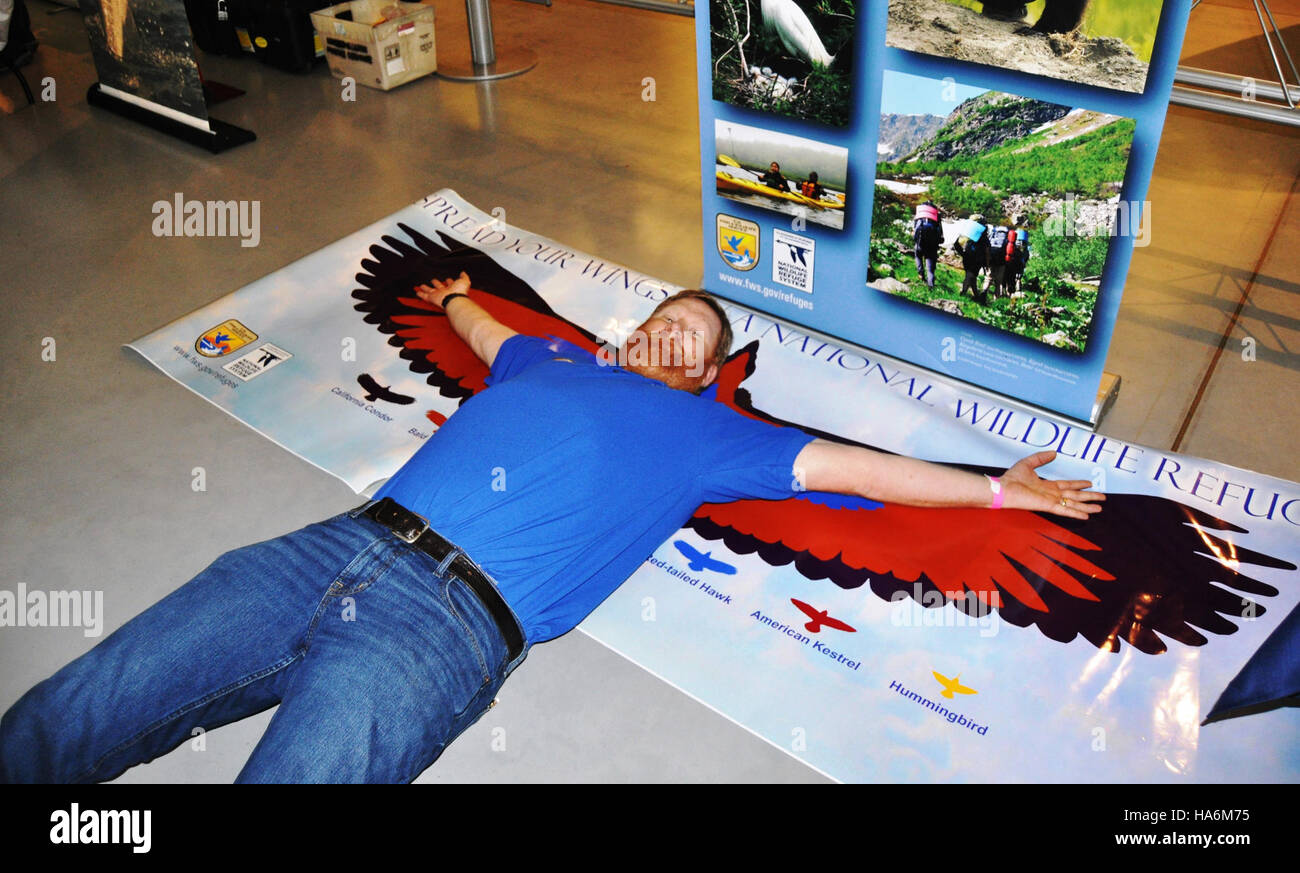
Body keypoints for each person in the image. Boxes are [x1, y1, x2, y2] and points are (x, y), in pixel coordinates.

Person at [0, 279, 1103, 783]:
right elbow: (482, 331)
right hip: (327, 546)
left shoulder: (709, 438)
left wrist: (994, 490)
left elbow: (859, 469)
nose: (679, 335)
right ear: (633, 329)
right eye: (670, 317)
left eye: (699, 339)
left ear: (713, 374)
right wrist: (454, 296)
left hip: (444, 629)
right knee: (79, 705)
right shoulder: (549, 358)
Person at [912, 201, 943, 289]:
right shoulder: (936, 218)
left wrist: (915, 240)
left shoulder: (920, 216)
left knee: (917, 255)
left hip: (920, 244)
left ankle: (921, 274)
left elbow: (915, 231)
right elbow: (940, 234)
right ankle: (931, 285)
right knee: (930, 269)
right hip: (931, 247)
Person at [957, 216, 989, 302]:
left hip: (967, 255)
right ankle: (964, 292)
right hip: (977, 258)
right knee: (971, 275)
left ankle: (975, 294)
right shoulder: (984, 233)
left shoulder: (971, 229)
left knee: (971, 275)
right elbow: (986, 250)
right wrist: (986, 263)